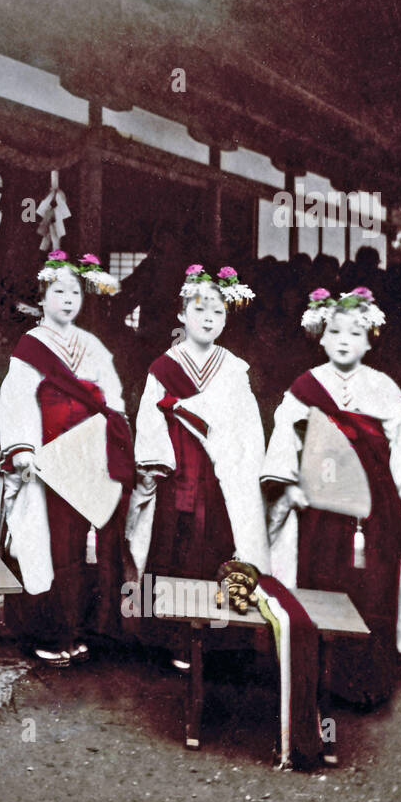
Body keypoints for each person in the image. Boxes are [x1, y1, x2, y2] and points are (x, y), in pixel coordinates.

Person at [262, 287, 401, 706]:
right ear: (321, 337)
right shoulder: (306, 386)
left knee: (373, 585)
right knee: (322, 579)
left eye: (355, 333)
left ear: (369, 339)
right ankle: (319, 680)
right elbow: (284, 440)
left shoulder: (384, 389)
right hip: (321, 505)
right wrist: (288, 486)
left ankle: (366, 684)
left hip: (374, 507)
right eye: (335, 331)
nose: (344, 340)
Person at [126, 264, 269, 670]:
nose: (208, 319)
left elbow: (246, 425)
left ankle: (217, 642)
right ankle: (173, 637)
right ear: (181, 315)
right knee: (177, 544)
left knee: (218, 544)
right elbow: (150, 419)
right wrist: (154, 462)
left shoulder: (233, 369)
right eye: (200, 310)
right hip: (179, 469)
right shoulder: (164, 367)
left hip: (219, 475)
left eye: (218, 312)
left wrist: (245, 465)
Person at [0, 251, 133, 667]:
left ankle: (80, 628)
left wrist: (111, 429)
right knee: (53, 543)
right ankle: (49, 631)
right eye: (58, 291)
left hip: (88, 455)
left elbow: (111, 395)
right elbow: (18, 400)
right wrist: (23, 447)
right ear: (42, 298)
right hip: (50, 458)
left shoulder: (90, 344)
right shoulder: (30, 346)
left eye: (74, 291)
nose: (68, 299)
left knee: (83, 543)